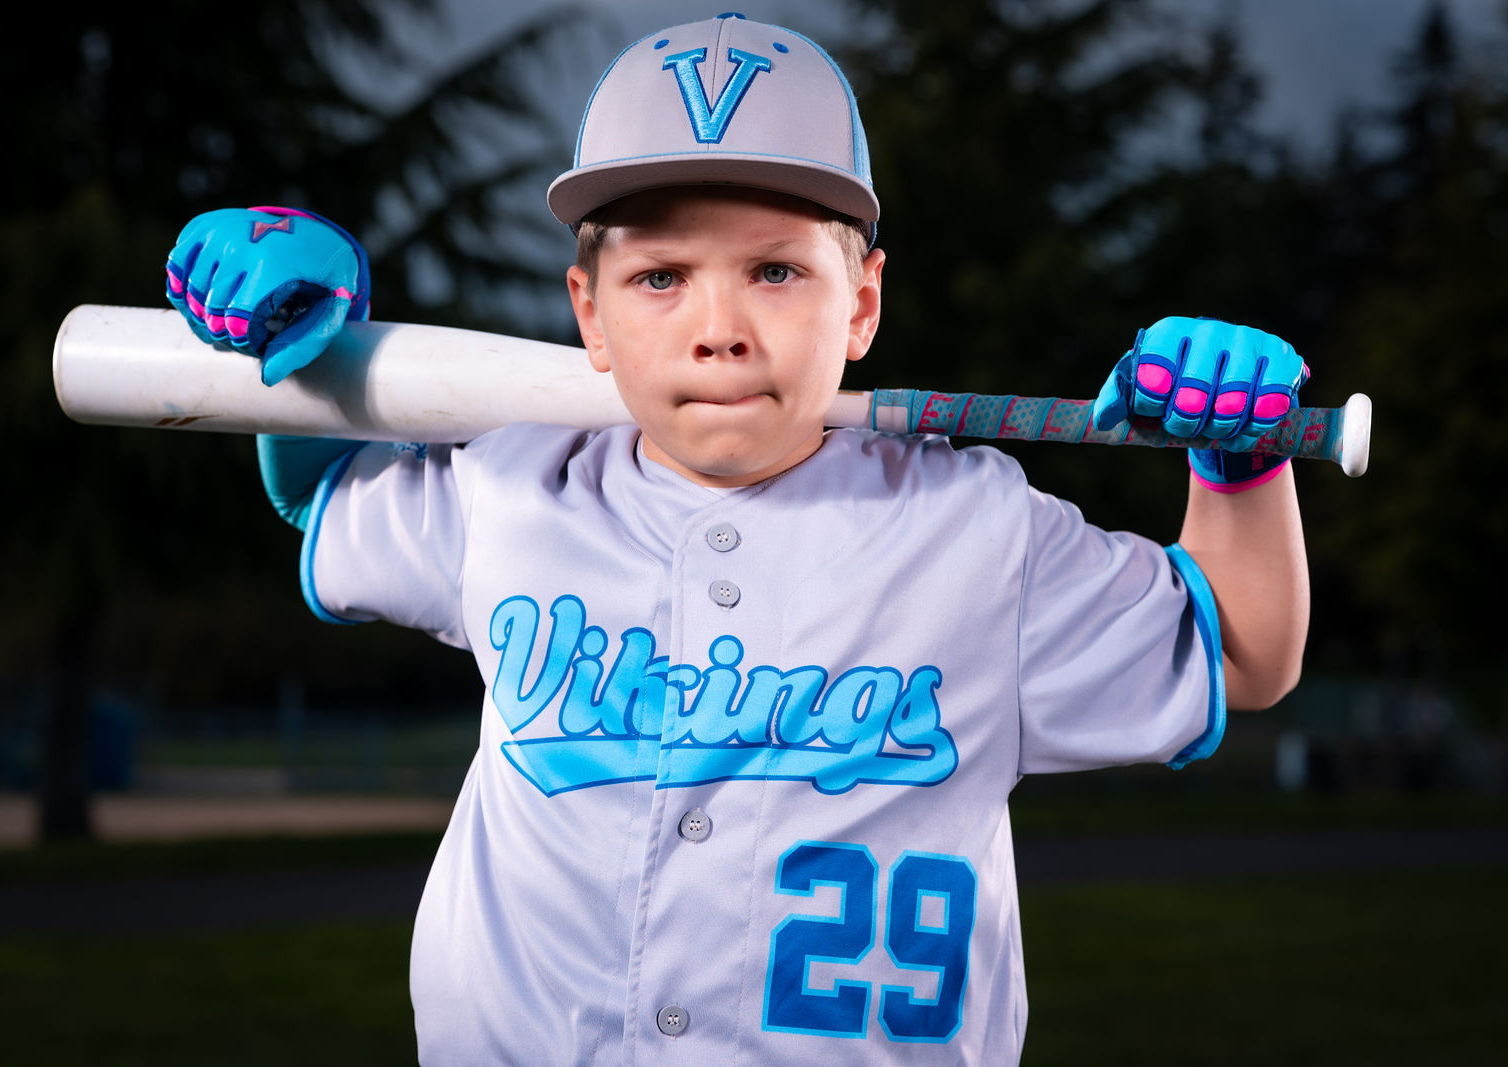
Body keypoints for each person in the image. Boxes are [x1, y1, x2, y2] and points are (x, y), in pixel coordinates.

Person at [162, 13, 1309, 1064]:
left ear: (859, 304)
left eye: (773, 271)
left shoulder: (975, 532)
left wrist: (1239, 469)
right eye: (660, 277)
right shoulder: (512, 486)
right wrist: (307, 353)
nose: (719, 330)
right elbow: (325, 500)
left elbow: (1246, 654)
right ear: (588, 314)